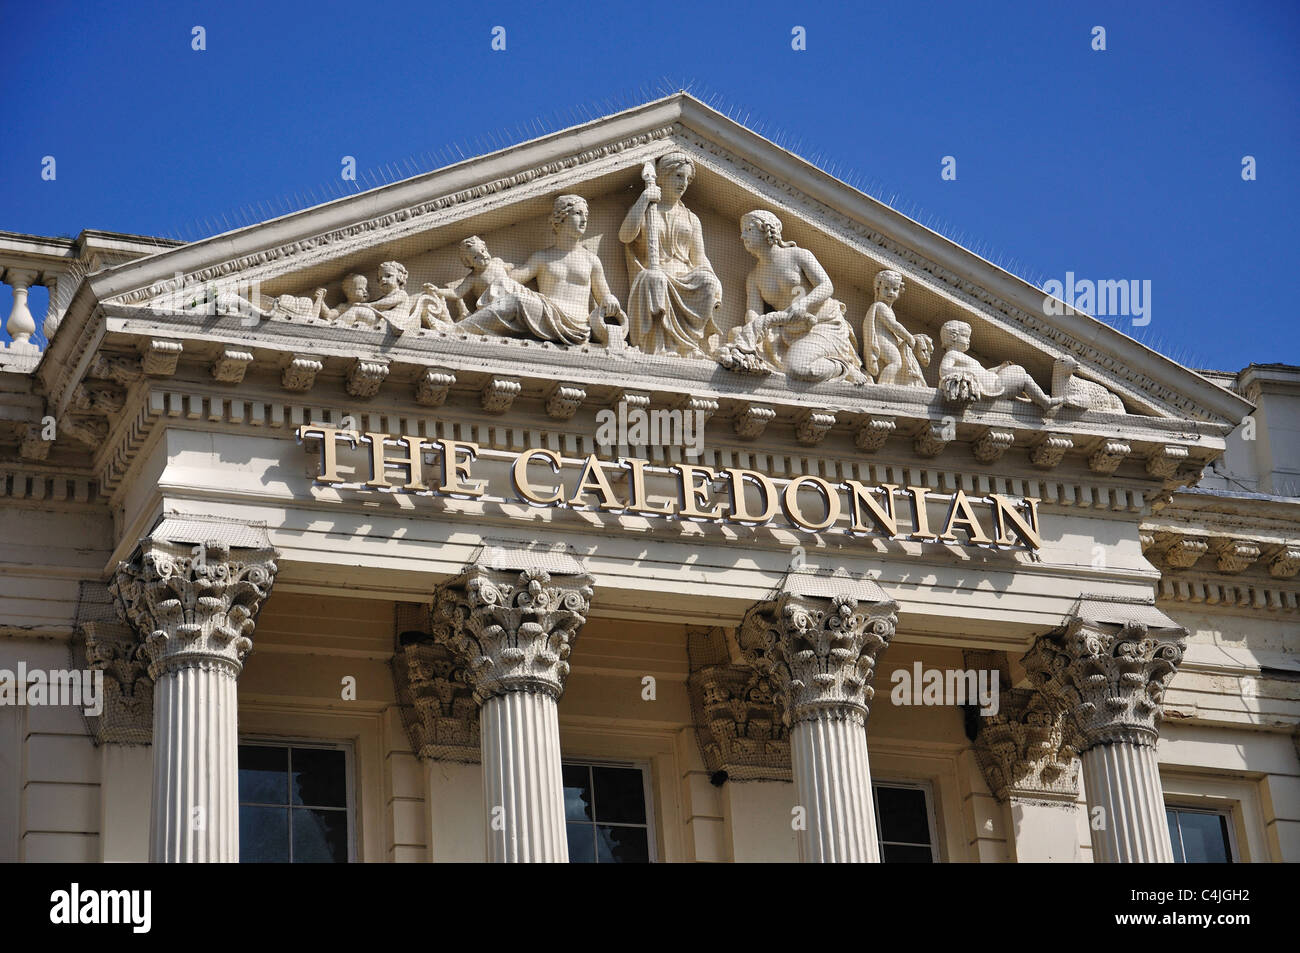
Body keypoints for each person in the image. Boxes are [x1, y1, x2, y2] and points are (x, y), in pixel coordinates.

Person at [431, 195, 622, 345]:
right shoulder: (542, 257)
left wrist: (610, 299)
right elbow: (511, 280)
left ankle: (456, 329)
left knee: (514, 297)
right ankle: (459, 329)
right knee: (510, 293)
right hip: (546, 314)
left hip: (578, 324)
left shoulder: (591, 260)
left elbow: (604, 295)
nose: (584, 220)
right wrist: (487, 267)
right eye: (578, 214)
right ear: (560, 218)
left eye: (586, 216)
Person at [717, 210, 867, 384]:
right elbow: (753, 312)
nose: (742, 236)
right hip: (789, 331)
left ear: (766, 230)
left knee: (799, 367)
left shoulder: (798, 255)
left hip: (823, 324)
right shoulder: (754, 277)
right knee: (736, 334)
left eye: (748, 230)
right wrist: (753, 331)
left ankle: (844, 367)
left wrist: (803, 304)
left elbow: (826, 286)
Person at [618, 152, 722, 356]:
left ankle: (689, 346)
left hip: (686, 278)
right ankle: (658, 347)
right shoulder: (647, 210)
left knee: (707, 281)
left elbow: (699, 259)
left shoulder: (691, 219)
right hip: (654, 276)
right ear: (662, 176)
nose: (683, 183)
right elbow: (625, 236)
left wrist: (714, 281)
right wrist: (644, 199)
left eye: (687, 178)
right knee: (655, 278)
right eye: (678, 176)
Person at [938, 319, 1062, 409]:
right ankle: (1046, 402)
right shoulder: (952, 354)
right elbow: (944, 371)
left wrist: (999, 368)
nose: (968, 340)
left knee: (1017, 369)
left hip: (995, 382)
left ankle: (1032, 398)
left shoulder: (964, 357)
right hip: (993, 387)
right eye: (965, 336)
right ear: (953, 337)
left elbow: (984, 373)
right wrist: (968, 373)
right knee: (1024, 378)